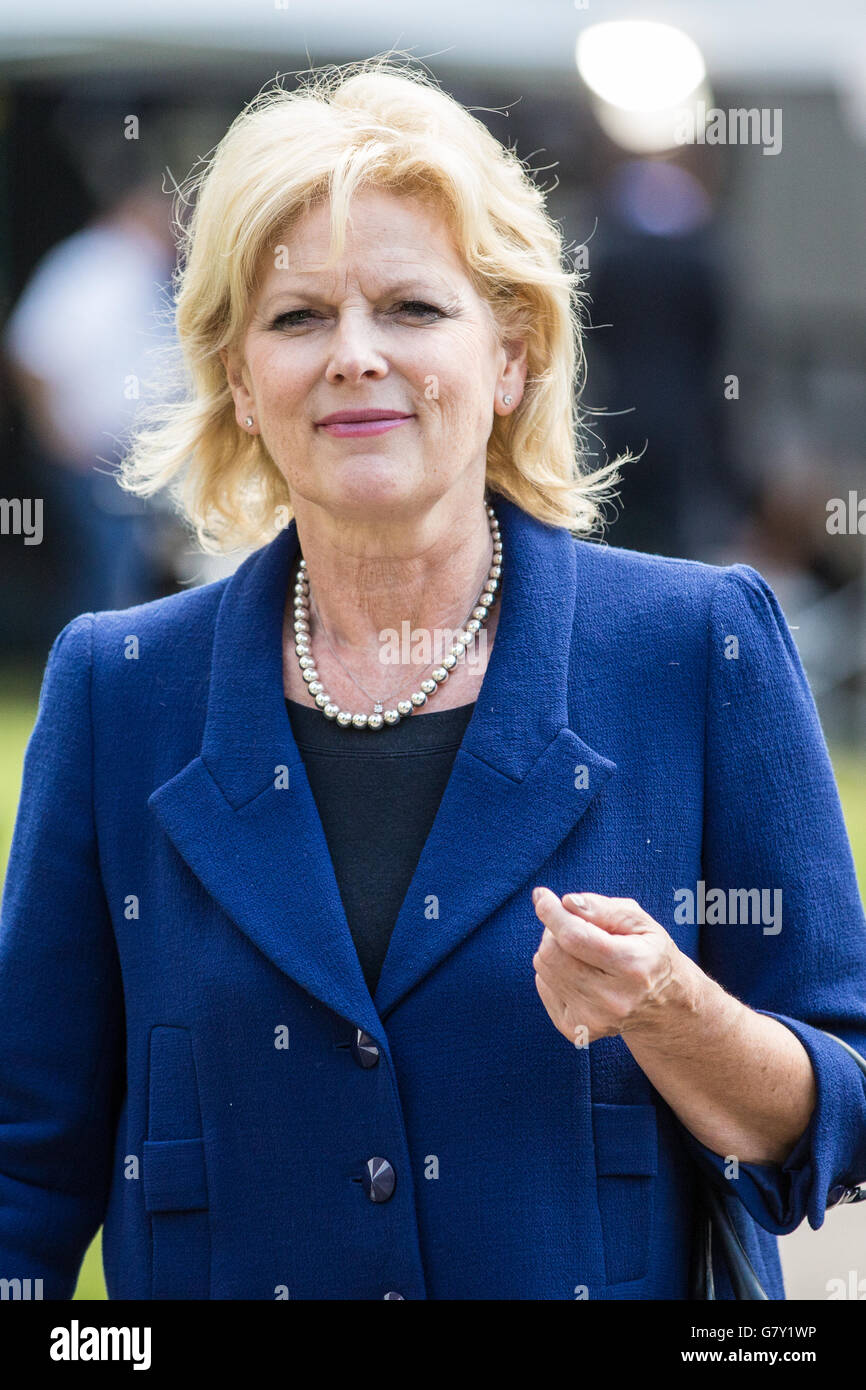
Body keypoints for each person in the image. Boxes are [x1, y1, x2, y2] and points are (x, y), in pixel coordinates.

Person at [1, 56, 865, 1302]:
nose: (355, 356)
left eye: (411, 308)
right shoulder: (118, 690)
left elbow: (837, 1117)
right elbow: (28, 1168)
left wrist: (675, 1008)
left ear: (508, 356)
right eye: (297, 318)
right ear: (239, 379)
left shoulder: (696, 646)